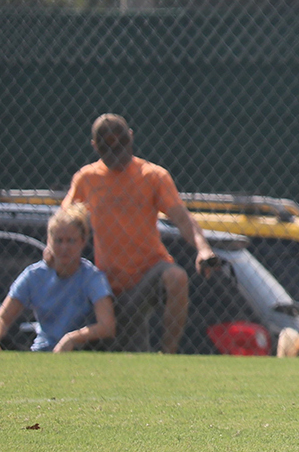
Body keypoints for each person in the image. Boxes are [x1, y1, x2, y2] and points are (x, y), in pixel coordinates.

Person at [62, 114, 220, 353]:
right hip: (106, 284)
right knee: (123, 346)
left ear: (131, 137)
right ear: (95, 146)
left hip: (148, 273)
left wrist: (203, 249)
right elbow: (65, 221)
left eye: (121, 144)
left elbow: (182, 218)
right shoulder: (87, 179)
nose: (116, 152)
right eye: (107, 147)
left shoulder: (152, 175)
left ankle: (168, 354)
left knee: (176, 277)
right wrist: (54, 250)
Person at [0, 203, 115, 352]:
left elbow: (107, 326)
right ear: (49, 241)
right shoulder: (34, 275)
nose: (64, 247)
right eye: (58, 240)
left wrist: (71, 338)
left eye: (71, 241)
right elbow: (4, 317)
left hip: (79, 351)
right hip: (41, 350)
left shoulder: (93, 277)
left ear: (83, 241)